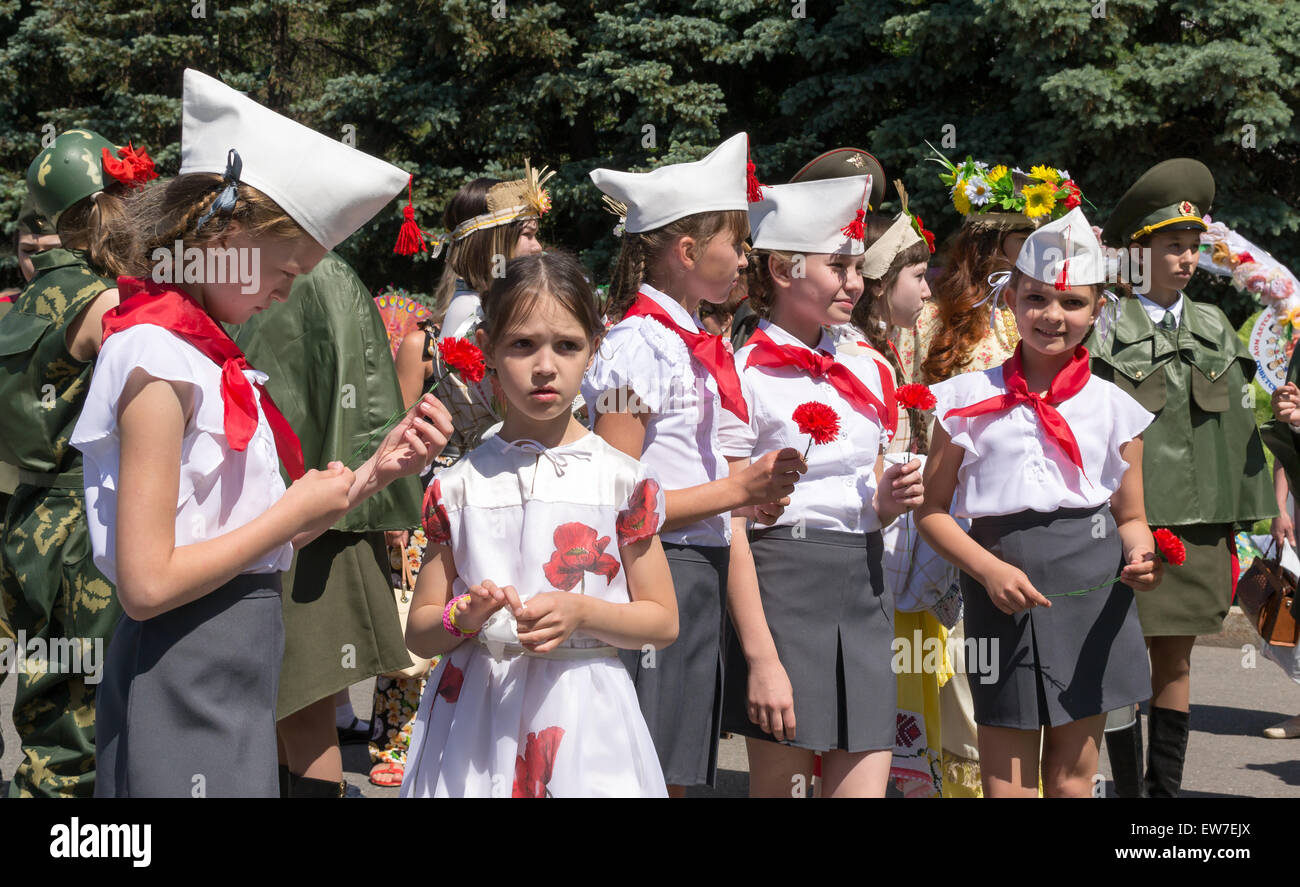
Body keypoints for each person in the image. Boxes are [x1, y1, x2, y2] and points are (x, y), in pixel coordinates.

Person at [70, 68, 453, 798]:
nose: (287, 290)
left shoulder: (203, 355)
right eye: (285, 269)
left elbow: (241, 533)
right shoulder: (157, 358)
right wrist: (288, 513)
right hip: (187, 665)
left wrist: (374, 472)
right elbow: (149, 583)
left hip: (228, 665)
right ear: (223, 234)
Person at [400, 251, 677, 798]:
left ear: (593, 351)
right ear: (487, 352)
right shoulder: (457, 485)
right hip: (476, 718)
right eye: (522, 344)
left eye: (567, 345)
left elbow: (662, 620)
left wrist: (583, 611)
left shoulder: (623, 481)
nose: (545, 365)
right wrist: (465, 616)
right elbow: (421, 629)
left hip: (584, 712)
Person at [583, 133, 805, 795]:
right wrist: (733, 488)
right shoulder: (637, 347)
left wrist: (748, 494)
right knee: (647, 773)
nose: (746, 259)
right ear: (688, 252)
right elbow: (616, 496)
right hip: (658, 569)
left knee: (672, 772)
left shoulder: (688, 345)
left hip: (693, 568)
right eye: (736, 244)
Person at [917, 207, 1163, 797]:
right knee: (1006, 779)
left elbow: (1131, 518)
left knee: (1073, 779)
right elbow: (931, 512)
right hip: (999, 594)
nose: (1053, 316)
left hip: (1092, 594)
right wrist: (988, 569)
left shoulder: (1114, 407)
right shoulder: (964, 400)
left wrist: (1142, 557)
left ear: (1097, 309)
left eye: (1072, 303)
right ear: (1012, 300)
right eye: (1037, 299)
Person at [717, 174, 924, 797]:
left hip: (864, 582)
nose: (856, 284)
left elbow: (870, 492)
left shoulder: (871, 366)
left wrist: (888, 504)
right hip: (781, 585)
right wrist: (760, 657)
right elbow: (730, 523)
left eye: (858, 266)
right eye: (838, 266)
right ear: (783, 269)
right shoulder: (741, 370)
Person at [1089, 159, 1276, 797]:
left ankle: (1163, 796)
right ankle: (1125, 793)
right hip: (1125, 520)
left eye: (1193, 248)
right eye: (1172, 247)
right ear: (1138, 254)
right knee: (1115, 661)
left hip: (1195, 529)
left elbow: (1238, 433)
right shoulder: (1103, 325)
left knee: (1177, 659)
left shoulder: (1214, 325)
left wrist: (1253, 515)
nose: (1187, 259)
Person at [373, 166, 554, 786]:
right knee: (447, 615)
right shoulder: (462, 325)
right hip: (463, 484)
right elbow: (407, 430)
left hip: (500, 479)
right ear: (492, 244)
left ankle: (465, 735)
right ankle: (415, 740)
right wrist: (399, 513)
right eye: (527, 234)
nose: (537, 245)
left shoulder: (500, 311)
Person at [234, 252, 426, 797]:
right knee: (291, 701)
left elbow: (362, 394)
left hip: (302, 517)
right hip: (316, 510)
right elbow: (365, 398)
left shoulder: (295, 272)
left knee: (298, 700)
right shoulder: (321, 273)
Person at [0, 130, 152, 797]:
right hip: (82, 525)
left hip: (25, 515)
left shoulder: (19, 305)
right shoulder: (105, 303)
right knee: (89, 715)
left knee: (40, 690)